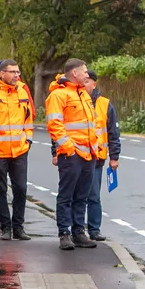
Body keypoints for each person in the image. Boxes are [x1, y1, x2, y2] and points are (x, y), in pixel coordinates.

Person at [45, 58, 100, 251]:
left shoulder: (84, 94)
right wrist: (68, 147)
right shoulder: (59, 95)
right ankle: (64, 233)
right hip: (71, 154)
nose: (87, 74)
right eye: (84, 72)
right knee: (66, 195)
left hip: (88, 154)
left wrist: (95, 147)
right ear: (74, 73)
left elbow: (91, 124)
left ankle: (78, 232)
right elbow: (54, 124)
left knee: (82, 195)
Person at [0, 59, 33, 241]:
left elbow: (28, 119)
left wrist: (29, 140)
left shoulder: (22, 92)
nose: (17, 75)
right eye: (12, 72)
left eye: (18, 72)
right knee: (0, 190)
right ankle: (6, 227)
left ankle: (19, 227)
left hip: (19, 150)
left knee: (20, 189)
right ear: (1, 73)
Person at [83, 69, 121, 241]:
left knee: (93, 196)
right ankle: (73, 230)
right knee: (75, 196)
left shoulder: (105, 104)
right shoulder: (73, 101)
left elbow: (113, 132)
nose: (84, 85)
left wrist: (114, 157)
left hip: (97, 157)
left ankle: (94, 229)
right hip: (75, 155)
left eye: (87, 82)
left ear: (94, 84)